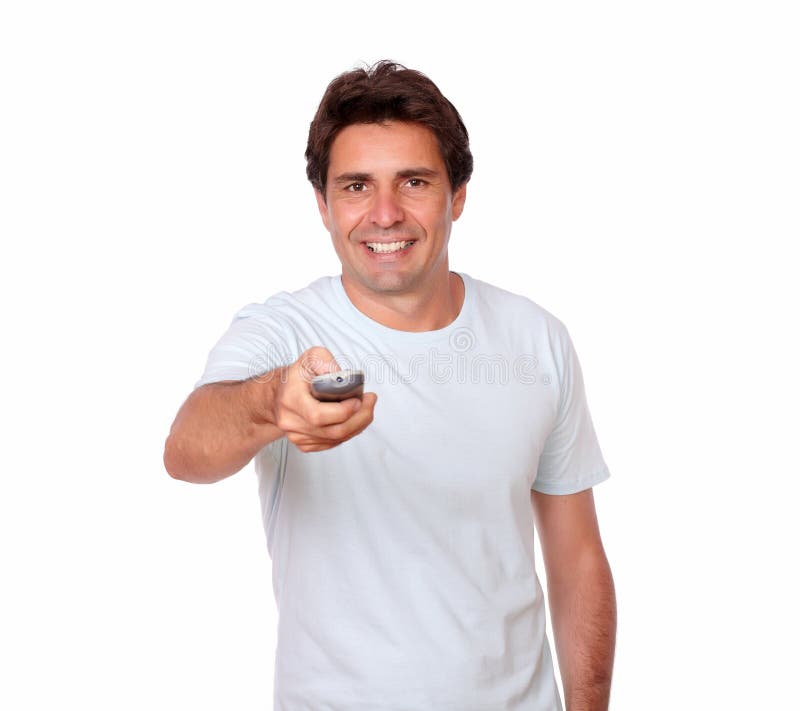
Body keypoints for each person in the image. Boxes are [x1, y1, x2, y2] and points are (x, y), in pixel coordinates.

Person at [164, 60, 616, 711]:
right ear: (322, 204)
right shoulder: (284, 331)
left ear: (457, 194)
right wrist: (271, 404)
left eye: (413, 181)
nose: (384, 213)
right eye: (355, 186)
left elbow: (577, 559)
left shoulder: (537, 339)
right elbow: (186, 449)